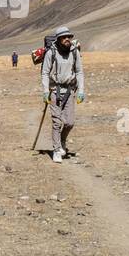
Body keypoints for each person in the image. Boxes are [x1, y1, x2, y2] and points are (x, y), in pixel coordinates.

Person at [40, 26, 84, 163]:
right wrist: (46, 91)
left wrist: (81, 91)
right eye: (64, 37)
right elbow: (45, 73)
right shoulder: (51, 53)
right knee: (56, 122)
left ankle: (63, 141)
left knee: (69, 123)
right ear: (58, 39)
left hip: (70, 91)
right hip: (54, 91)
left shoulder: (74, 52)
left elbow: (79, 72)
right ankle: (57, 149)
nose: (67, 39)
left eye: (68, 37)